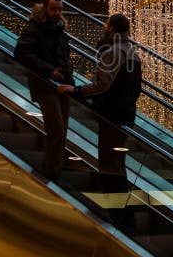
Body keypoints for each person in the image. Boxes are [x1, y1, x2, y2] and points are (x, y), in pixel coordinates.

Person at [58, 14, 141, 197]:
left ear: (110, 28)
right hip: (126, 113)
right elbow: (136, 88)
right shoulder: (132, 52)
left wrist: (77, 90)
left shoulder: (113, 51)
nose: (104, 26)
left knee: (109, 164)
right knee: (118, 163)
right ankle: (121, 207)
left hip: (111, 113)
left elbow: (103, 84)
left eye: (106, 24)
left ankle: (114, 207)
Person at [14, 0, 75, 180]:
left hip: (63, 85)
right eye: (54, 9)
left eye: (60, 10)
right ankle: (51, 171)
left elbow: (64, 58)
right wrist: (48, 70)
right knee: (56, 128)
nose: (57, 13)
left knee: (61, 129)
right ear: (45, 10)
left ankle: (54, 169)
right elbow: (21, 52)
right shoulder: (34, 28)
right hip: (44, 83)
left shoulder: (61, 32)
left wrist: (70, 82)